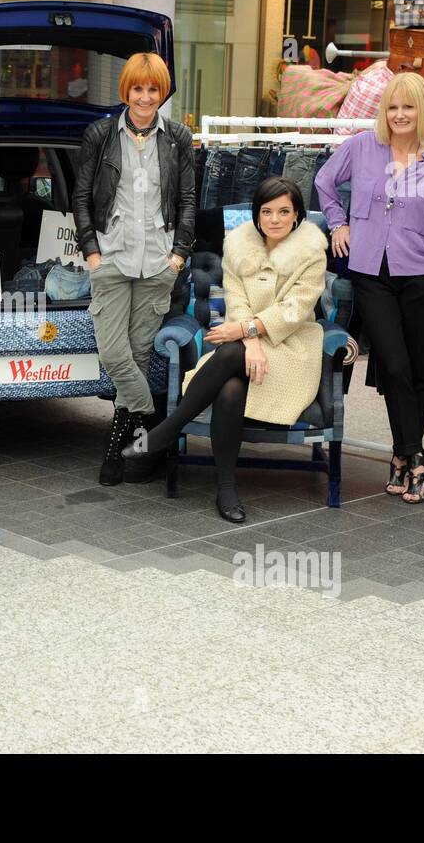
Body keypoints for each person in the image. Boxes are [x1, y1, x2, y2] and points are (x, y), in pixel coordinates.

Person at [121, 177, 328, 522]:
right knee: (230, 386)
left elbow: (296, 310)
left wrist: (245, 332)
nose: (274, 219)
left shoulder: (312, 254)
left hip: (292, 347)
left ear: (296, 216)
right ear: (256, 214)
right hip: (244, 343)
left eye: (283, 211)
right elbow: (237, 299)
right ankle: (226, 489)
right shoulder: (239, 246)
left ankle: (168, 430)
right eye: (266, 211)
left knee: (229, 353)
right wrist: (250, 340)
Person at [315, 71, 424, 504]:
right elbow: (324, 182)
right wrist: (338, 223)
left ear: (422, 112)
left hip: (423, 275)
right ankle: (417, 455)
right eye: (392, 107)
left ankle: (402, 457)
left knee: (417, 371)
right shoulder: (361, 147)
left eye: (408, 107)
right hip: (371, 273)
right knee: (393, 366)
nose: (399, 115)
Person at [72, 52, 197, 486]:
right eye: (138, 88)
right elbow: (82, 196)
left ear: (162, 93)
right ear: (126, 90)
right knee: (113, 352)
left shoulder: (178, 137)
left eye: (153, 89)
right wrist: (91, 251)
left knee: (139, 355)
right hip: (111, 257)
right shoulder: (101, 135)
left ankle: (118, 451)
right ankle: (152, 420)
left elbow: (186, 202)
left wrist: (178, 256)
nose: (145, 97)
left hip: (159, 261)